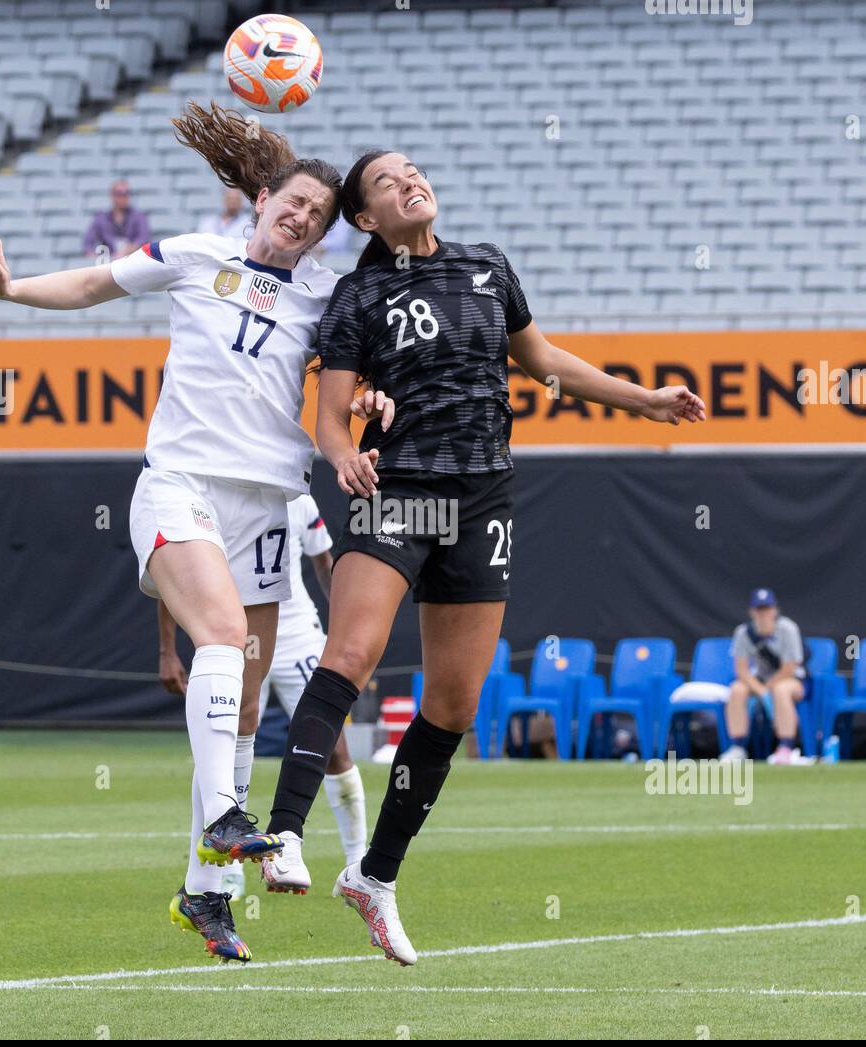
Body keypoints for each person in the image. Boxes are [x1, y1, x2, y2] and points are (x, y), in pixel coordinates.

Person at [258, 150, 705, 965]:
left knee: (455, 707)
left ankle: (375, 878)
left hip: (482, 501)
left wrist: (644, 398)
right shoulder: (360, 295)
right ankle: (283, 833)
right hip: (399, 491)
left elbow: (543, 364)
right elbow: (326, 417)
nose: (409, 181)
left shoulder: (489, 267)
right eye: (388, 182)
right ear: (365, 218)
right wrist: (342, 456)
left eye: (413, 170)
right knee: (349, 654)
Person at [0, 101, 388, 964]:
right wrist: (10, 287)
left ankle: (207, 894)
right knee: (224, 644)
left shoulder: (322, 298)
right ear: (261, 198)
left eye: (316, 213)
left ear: (320, 232)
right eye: (292, 202)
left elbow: (351, 384)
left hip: (267, 503)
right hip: (182, 484)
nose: (301, 216)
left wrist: (372, 399)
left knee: (236, 719)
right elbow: (90, 285)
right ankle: (227, 821)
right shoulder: (195, 255)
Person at [158, 493, 368, 901]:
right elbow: (172, 579)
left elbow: (324, 563)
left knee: (335, 748)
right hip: (235, 635)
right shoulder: (206, 496)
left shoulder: (300, 498)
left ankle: (357, 862)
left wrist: (349, 628)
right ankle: (230, 871)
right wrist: (168, 651)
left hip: (296, 635)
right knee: (234, 734)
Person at [720, 588, 811, 765]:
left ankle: (786, 747)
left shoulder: (788, 629)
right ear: (752, 612)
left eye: (767, 609)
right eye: (759, 609)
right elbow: (741, 670)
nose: (763, 614)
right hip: (760, 680)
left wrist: (766, 689)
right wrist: (760, 690)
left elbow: (788, 669)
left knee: (780, 690)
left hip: (792, 680)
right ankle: (737, 747)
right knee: (737, 689)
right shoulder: (743, 632)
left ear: (775, 610)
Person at [82, 179, 151, 259]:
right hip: (108, 264)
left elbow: (143, 239)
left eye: (126, 193)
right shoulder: (101, 219)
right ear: (112, 195)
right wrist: (96, 257)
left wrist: (128, 249)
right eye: (119, 194)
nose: (123, 197)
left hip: (133, 262)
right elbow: (88, 242)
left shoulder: (139, 217)